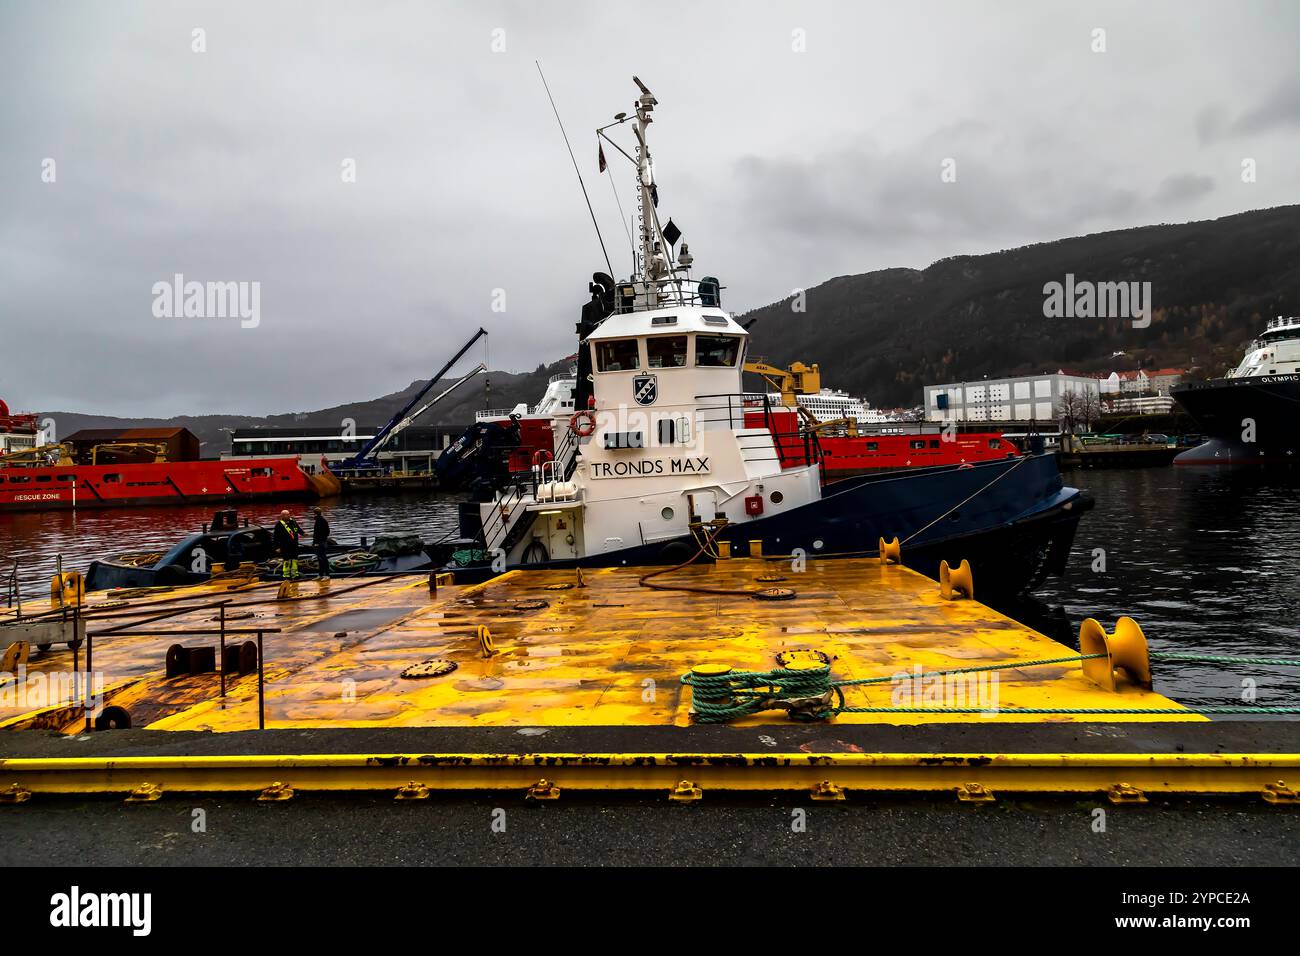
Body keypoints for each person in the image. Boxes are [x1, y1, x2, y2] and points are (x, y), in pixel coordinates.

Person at [272, 509, 303, 579]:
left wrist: (303, 533)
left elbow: (298, 529)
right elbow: (275, 537)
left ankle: (294, 574)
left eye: (288, 514)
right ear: (282, 516)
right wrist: (277, 547)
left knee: (294, 559)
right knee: (287, 560)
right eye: (285, 515)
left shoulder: (293, 522)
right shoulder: (279, 525)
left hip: (294, 545)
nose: (287, 516)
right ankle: (286, 575)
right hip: (285, 546)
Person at [311, 508, 331, 580]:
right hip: (320, 542)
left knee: (323, 558)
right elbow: (326, 532)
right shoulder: (319, 520)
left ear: (315, 513)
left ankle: (327, 575)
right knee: (320, 559)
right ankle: (320, 574)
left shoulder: (321, 521)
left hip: (320, 543)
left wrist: (317, 542)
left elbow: (325, 532)